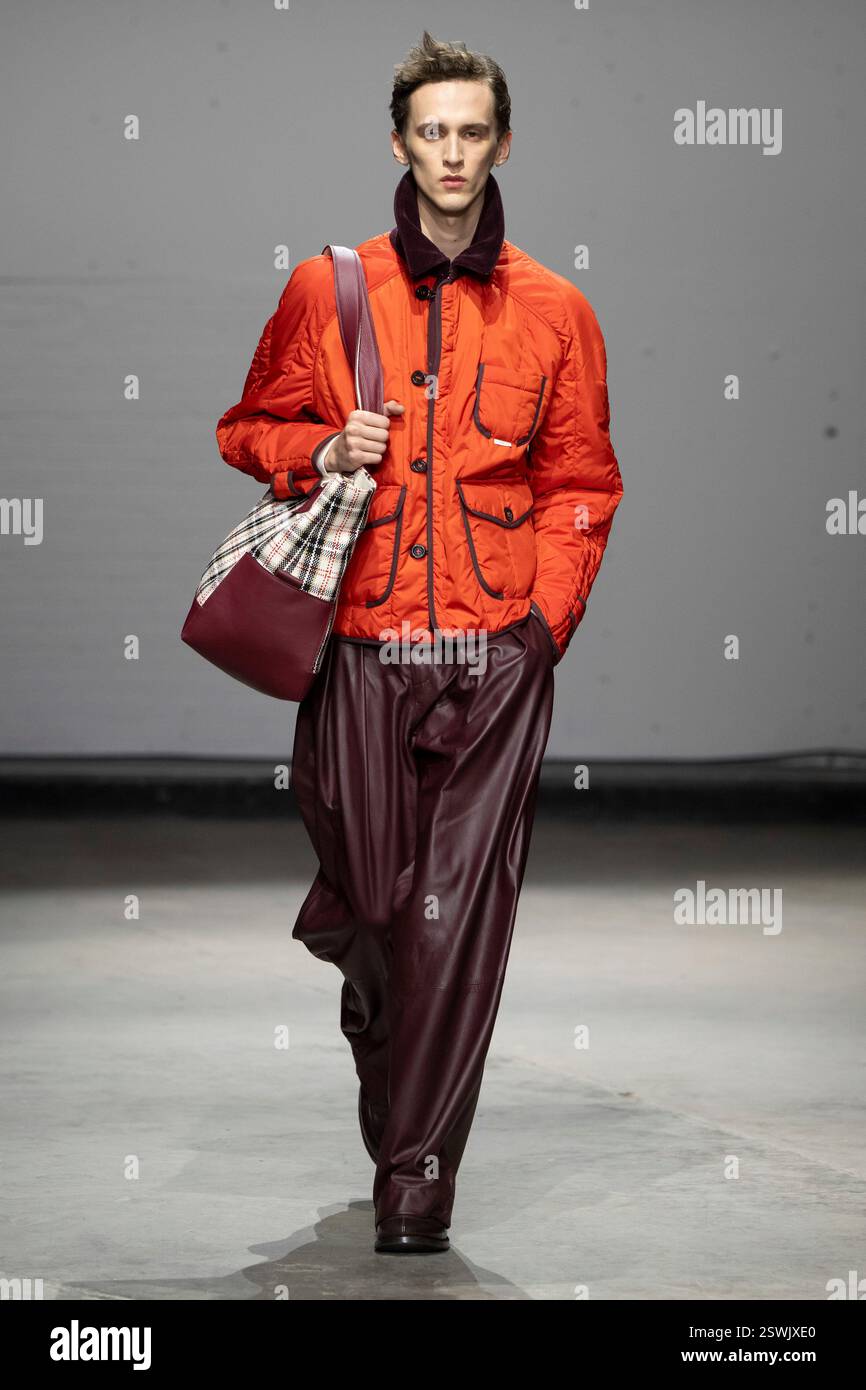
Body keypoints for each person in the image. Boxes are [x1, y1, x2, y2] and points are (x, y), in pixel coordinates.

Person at [215, 30, 624, 1255]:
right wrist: (316, 448)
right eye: (430, 131)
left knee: (455, 920)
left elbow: (581, 482)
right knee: (373, 908)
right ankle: (391, 1063)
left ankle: (416, 1185)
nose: (451, 153)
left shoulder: (557, 308)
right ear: (398, 143)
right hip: (357, 645)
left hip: (493, 656)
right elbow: (245, 428)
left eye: (472, 131)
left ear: (502, 144)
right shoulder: (327, 290)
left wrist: (542, 625)